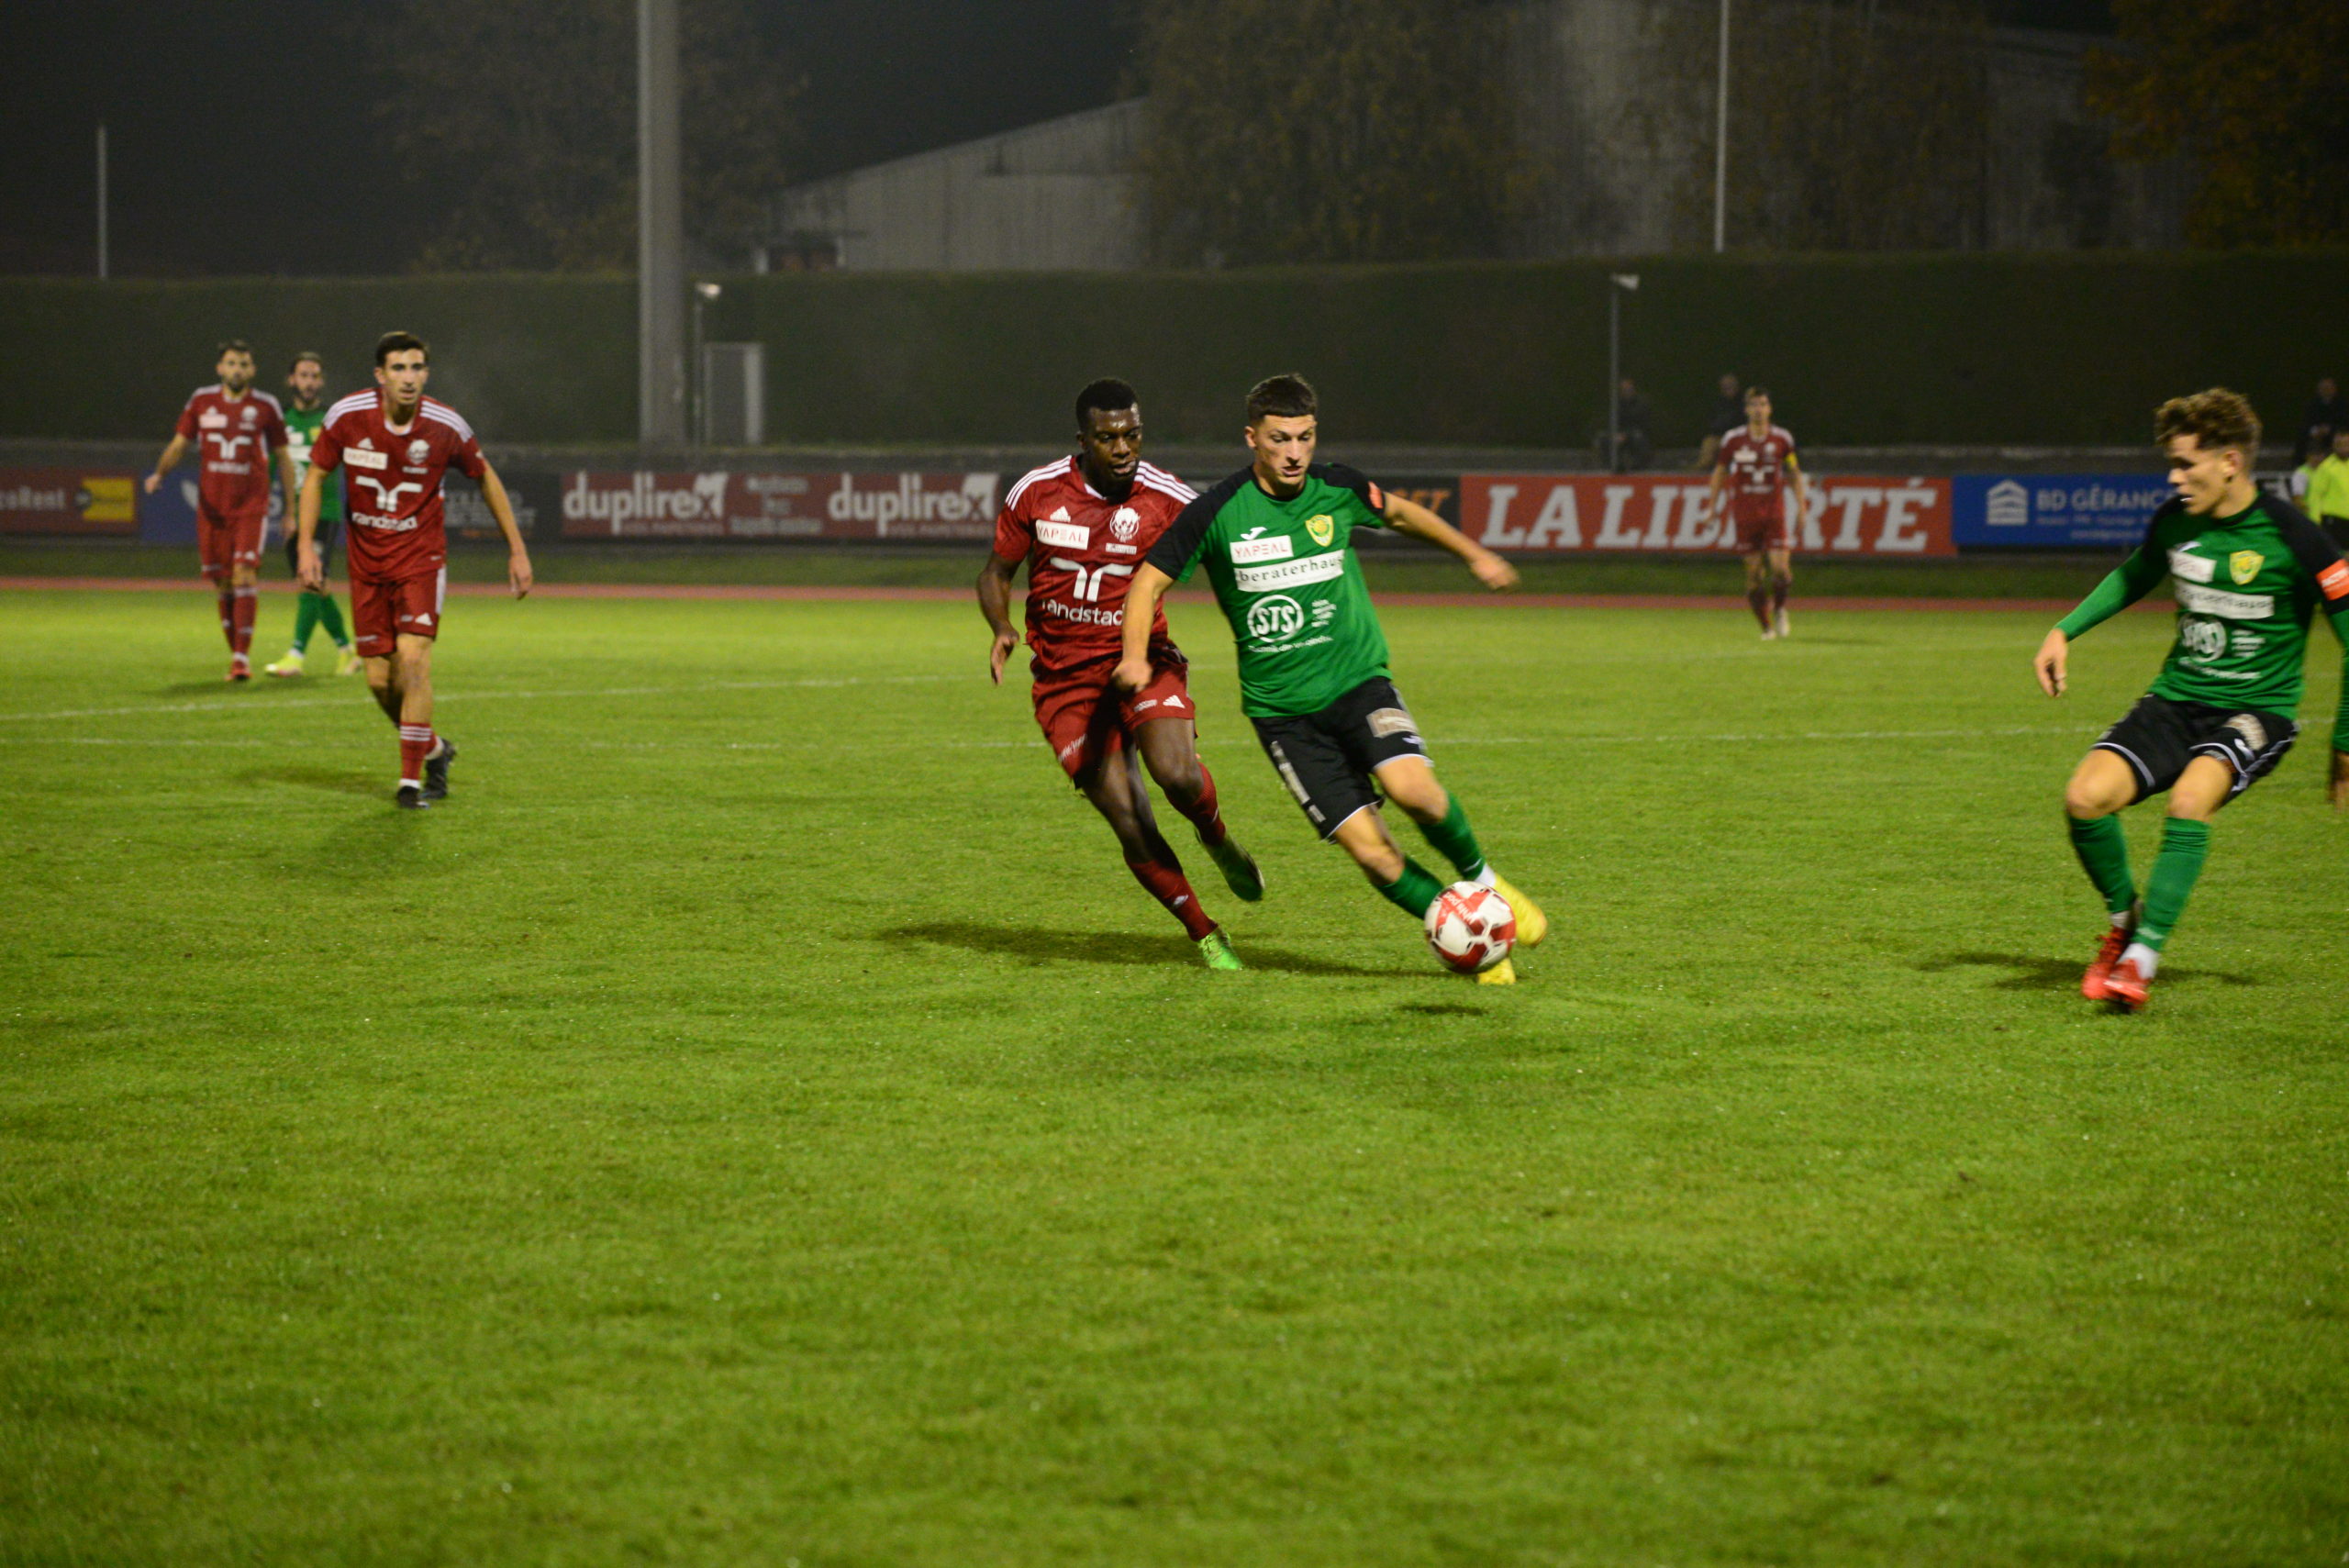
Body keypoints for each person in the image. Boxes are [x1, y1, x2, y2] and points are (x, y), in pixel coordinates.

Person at [1113, 373, 1547, 984]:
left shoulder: (1335, 487)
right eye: (1280, 439)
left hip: (1358, 685)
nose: (1294, 452)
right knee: (1372, 852)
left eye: (1305, 438)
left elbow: (1402, 514)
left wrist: (1472, 553)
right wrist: (1135, 656)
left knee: (1414, 790)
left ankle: (1482, 882)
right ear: (1252, 439)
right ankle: (1468, 937)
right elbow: (1148, 580)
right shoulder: (1216, 511)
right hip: (1285, 717)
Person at [2032, 387, 2349, 1013]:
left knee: (2189, 799)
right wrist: (2063, 629)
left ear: (2230, 461)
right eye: (2170, 466)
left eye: (2186, 464)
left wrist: (2343, 744)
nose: (2175, 479)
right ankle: (2126, 922)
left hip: (2257, 713)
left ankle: (2140, 962)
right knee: (2084, 798)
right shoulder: (2174, 520)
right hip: (2176, 701)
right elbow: (2135, 573)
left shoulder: (2296, 538)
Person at [978, 379, 1264, 971]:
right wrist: (1001, 626)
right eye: (1107, 437)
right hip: (1066, 685)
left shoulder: (1168, 498)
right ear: (1082, 441)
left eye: (1132, 434)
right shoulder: (1036, 491)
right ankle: (1205, 933)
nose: (1122, 447)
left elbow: (1228, 552)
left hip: (1142, 659)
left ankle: (1218, 839)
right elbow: (995, 572)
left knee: (1177, 775)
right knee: (1131, 821)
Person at [297, 331, 533, 809]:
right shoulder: (346, 416)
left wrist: (517, 549)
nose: (409, 378)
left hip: (419, 560)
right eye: (399, 369)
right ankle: (434, 749)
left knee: (414, 660)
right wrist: (306, 547)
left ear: (426, 372)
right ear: (380, 376)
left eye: (417, 367)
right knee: (380, 682)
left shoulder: (446, 426)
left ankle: (409, 784)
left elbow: (485, 476)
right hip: (366, 566)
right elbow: (317, 475)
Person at [144, 339, 300, 681]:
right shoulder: (202, 401)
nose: (237, 370)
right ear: (220, 368)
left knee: (245, 573)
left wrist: (290, 510)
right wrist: (159, 474)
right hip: (212, 508)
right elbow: (179, 444)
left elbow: (284, 458)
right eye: (231, 363)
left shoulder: (265, 406)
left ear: (252, 370)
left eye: (244, 364)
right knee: (223, 583)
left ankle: (241, 658)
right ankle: (237, 654)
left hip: (250, 506)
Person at [263, 351, 359, 678]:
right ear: (292, 380)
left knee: (309, 582)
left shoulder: (331, 422)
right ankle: (348, 651)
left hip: (325, 513)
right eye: (303, 375)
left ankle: (296, 655)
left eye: (314, 376)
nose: (309, 382)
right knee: (318, 586)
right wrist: (283, 511)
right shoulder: (281, 424)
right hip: (294, 517)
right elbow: (270, 471)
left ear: (321, 382)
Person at [1706, 386, 1808, 639]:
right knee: (1753, 576)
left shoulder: (1782, 439)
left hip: (1774, 513)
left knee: (1781, 570)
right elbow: (1719, 473)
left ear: (1770, 408)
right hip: (1745, 515)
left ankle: (1781, 608)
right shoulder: (1733, 439)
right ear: (1746, 409)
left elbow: (1793, 473)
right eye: (1753, 405)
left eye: (1763, 404)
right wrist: (1712, 508)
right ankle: (1766, 627)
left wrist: (1801, 506)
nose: (1758, 410)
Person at [1695, 373, 1743, 472]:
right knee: (1709, 442)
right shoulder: (1717, 403)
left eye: (1731, 385)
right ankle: (1694, 475)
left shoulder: (1744, 403)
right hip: (1720, 436)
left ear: (1737, 386)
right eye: (1726, 386)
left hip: (1740, 438)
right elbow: (1712, 424)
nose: (1728, 388)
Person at [2308, 426, 2349, 531]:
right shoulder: (2326, 467)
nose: (2343, 448)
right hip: (2333, 520)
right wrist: (2315, 522)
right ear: (2333, 445)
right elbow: (2316, 496)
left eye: (2346, 444)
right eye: (2339, 444)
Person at [1609, 377, 1653, 472]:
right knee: (1606, 439)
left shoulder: (1642, 404)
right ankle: (1616, 466)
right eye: (1624, 390)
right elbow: (1614, 422)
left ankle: (1637, 467)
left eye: (1629, 389)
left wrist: (1626, 435)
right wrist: (1617, 433)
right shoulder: (1617, 404)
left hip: (1636, 433)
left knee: (1638, 438)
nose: (1627, 392)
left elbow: (1643, 424)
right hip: (1621, 434)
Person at [2287, 424, 2330, 503]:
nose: (2317, 459)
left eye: (2320, 456)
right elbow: (2297, 499)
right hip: (2310, 514)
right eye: (2314, 455)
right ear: (2307, 456)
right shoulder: (2301, 474)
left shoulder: (2328, 471)